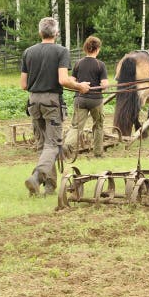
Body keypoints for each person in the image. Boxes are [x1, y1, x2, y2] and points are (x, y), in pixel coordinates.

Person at [20, 17, 90, 196]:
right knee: (52, 145)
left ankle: (49, 187)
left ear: (40, 32)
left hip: (33, 101)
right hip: (52, 102)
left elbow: (23, 84)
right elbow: (62, 80)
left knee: (44, 145)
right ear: (56, 33)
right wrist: (80, 86)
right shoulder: (61, 51)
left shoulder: (28, 52)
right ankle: (36, 177)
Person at [63, 36, 109, 160]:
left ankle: (67, 146)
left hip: (80, 99)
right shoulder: (100, 65)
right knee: (98, 125)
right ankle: (98, 153)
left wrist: (79, 86)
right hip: (95, 100)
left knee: (76, 126)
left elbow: (71, 81)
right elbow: (104, 85)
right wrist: (104, 86)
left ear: (85, 49)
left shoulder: (78, 63)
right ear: (97, 49)